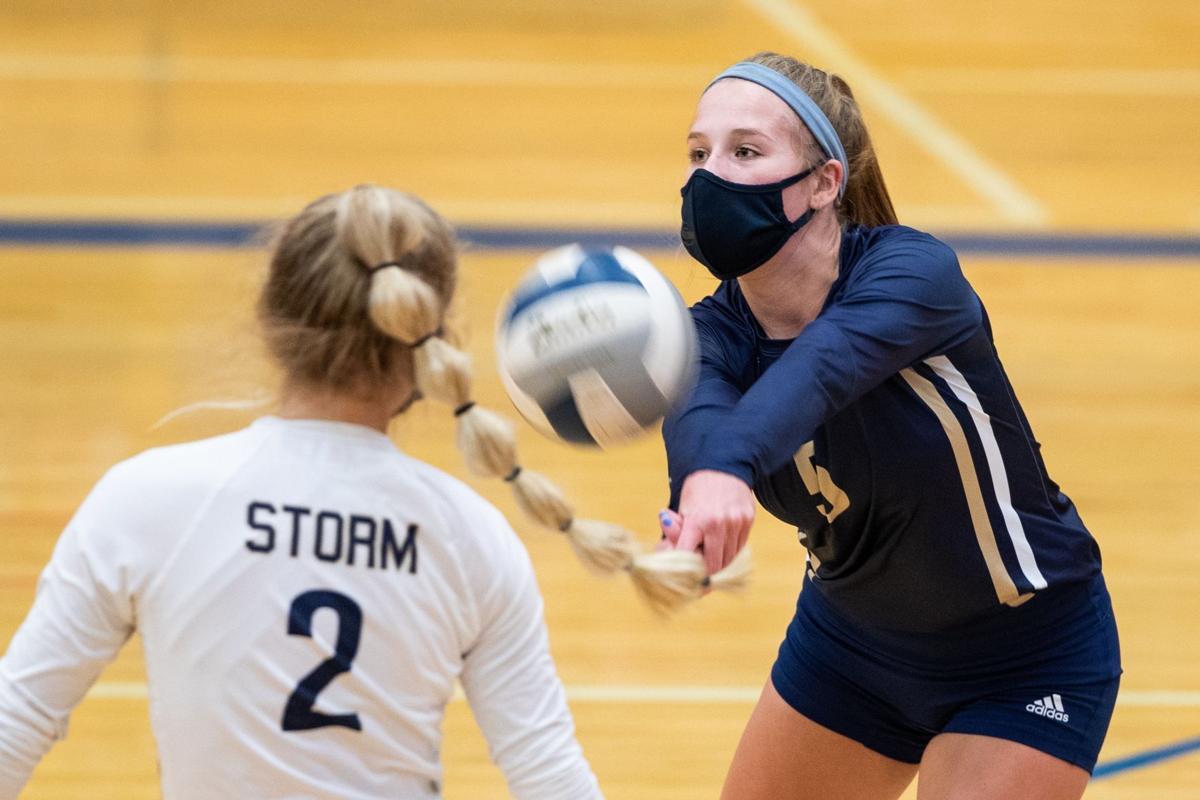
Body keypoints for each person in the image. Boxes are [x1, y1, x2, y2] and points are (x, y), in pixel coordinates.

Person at [0, 185, 633, 799]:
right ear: (428, 341)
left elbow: (17, 721)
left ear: (270, 317)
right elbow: (548, 775)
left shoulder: (145, 499)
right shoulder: (471, 535)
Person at [659, 53, 1122, 800]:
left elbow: (825, 369)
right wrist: (696, 505)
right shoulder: (704, 338)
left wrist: (724, 469)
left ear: (823, 183)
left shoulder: (913, 278)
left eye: (745, 152)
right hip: (849, 650)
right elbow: (701, 429)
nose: (710, 175)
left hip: (1022, 653)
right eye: (697, 153)